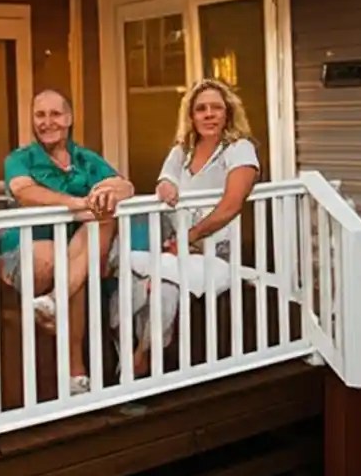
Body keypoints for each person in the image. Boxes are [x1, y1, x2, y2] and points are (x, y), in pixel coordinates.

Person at [111, 78, 260, 376]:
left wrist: (189, 237)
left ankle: (140, 358)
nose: (208, 114)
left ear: (228, 113)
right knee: (128, 267)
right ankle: (127, 346)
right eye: (201, 109)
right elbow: (165, 179)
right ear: (191, 116)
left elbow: (231, 204)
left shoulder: (239, 149)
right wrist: (166, 185)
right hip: (178, 249)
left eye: (216, 108)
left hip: (214, 253)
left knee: (161, 284)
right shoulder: (184, 150)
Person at [0, 89, 135, 395]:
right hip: (25, 251)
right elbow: (24, 191)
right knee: (66, 256)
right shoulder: (21, 158)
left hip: (74, 251)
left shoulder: (85, 159)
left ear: (69, 118)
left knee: (101, 219)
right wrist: (76, 203)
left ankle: (55, 300)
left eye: (55, 114)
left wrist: (108, 192)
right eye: (40, 115)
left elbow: (125, 185)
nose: (47, 122)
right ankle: (76, 368)